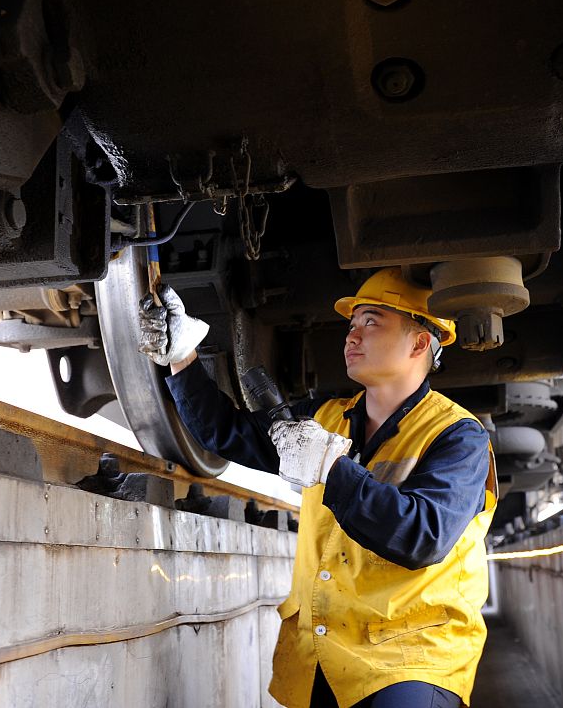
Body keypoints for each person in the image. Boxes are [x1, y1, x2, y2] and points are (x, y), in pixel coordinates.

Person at [139, 267, 497, 708]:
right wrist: (182, 356)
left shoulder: (458, 435)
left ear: (421, 342)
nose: (352, 336)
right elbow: (226, 432)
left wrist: (331, 465)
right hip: (325, 657)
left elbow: (425, 537)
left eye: (371, 322)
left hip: (411, 663)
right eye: (352, 326)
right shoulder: (325, 419)